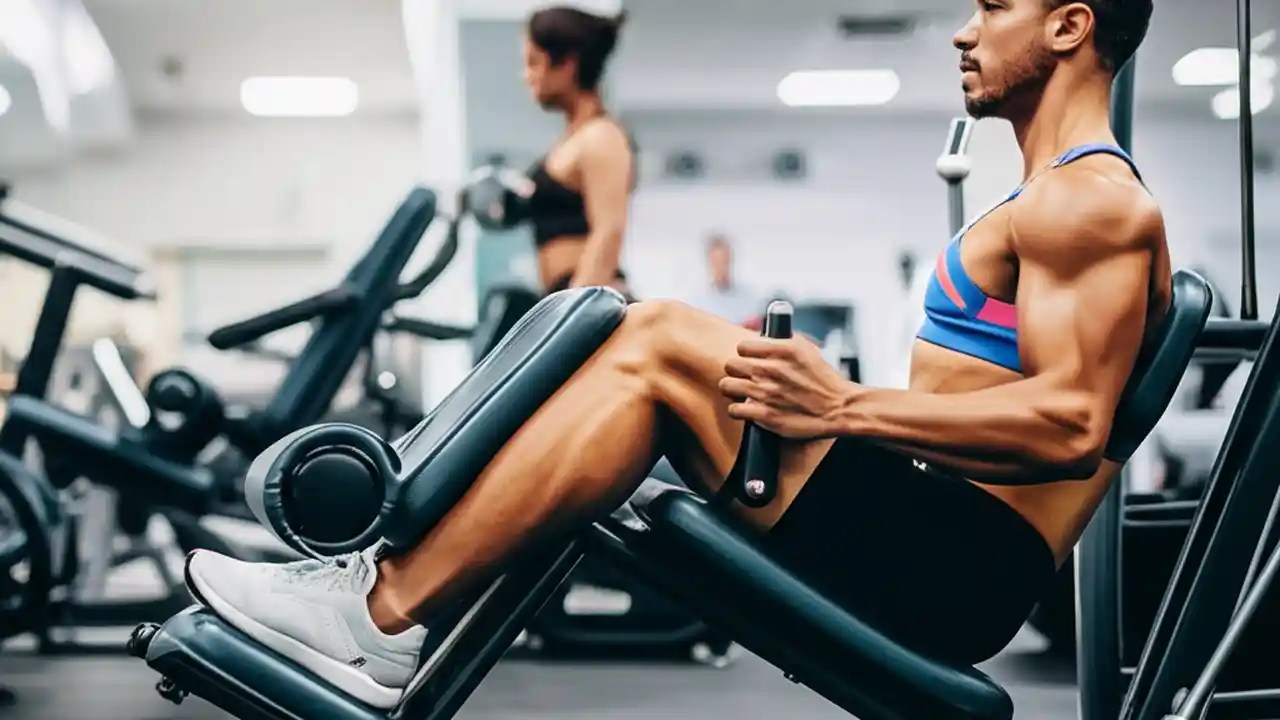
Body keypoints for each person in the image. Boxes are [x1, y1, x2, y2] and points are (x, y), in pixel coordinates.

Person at [184, 0, 1165, 708]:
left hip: (959, 566)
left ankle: (380, 608)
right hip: (928, 519)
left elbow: (1070, 426)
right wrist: (830, 401)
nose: (963, 28)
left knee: (652, 335)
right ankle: (380, 595)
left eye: (992, 5)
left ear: (1068, 25)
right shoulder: (1053, 200)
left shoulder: (1090, 202)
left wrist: (839, 406)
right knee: (638, 342)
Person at [519, 6, 635, 297]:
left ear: (567, 64)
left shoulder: (602, 136)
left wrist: (572, 315)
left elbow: (609, 231)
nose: (527, 76)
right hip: (566, 296)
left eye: (534, 63)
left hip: (586, 299)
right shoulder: (572, 138)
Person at [685, 233, 766, 326]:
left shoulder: (751, 298)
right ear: (709, 262)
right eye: (717, 262)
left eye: (725, 261)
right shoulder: (696, 302)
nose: (722, 268)